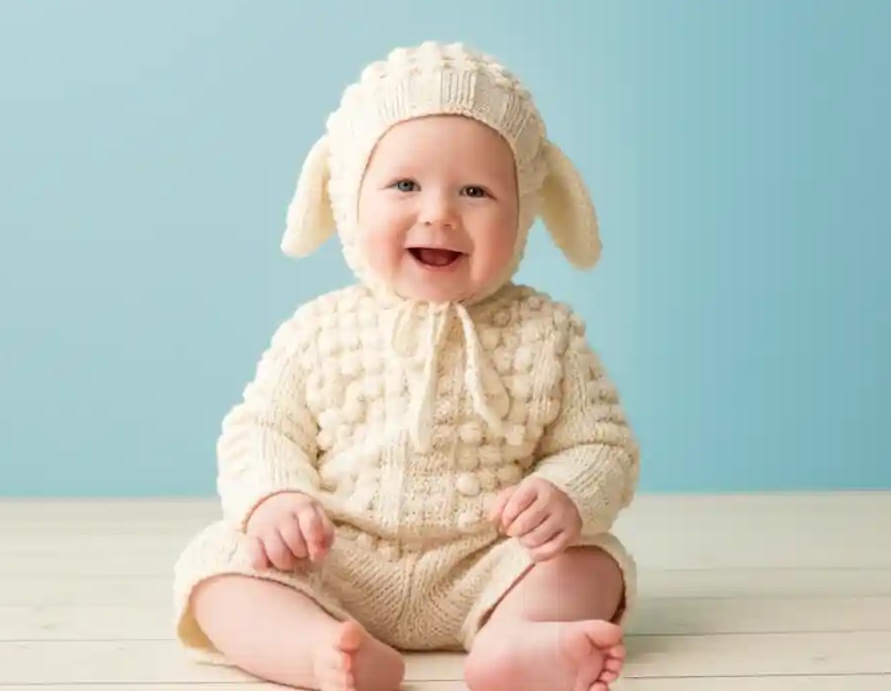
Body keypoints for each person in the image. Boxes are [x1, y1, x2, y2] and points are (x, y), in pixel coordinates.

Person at [172, 41, 642, 691]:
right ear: (348, 198)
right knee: (218, 562)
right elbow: (262, 429)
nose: (439, 213)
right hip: (338, 559)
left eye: (475, 191)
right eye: (404, 186)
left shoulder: (548, 334)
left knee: (594, 562)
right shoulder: (320, 329)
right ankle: (317, 649)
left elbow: (602, 444)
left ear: (526, 209)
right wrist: (275, 498)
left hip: (490, 562)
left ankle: (514, 640)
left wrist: (566, 492)